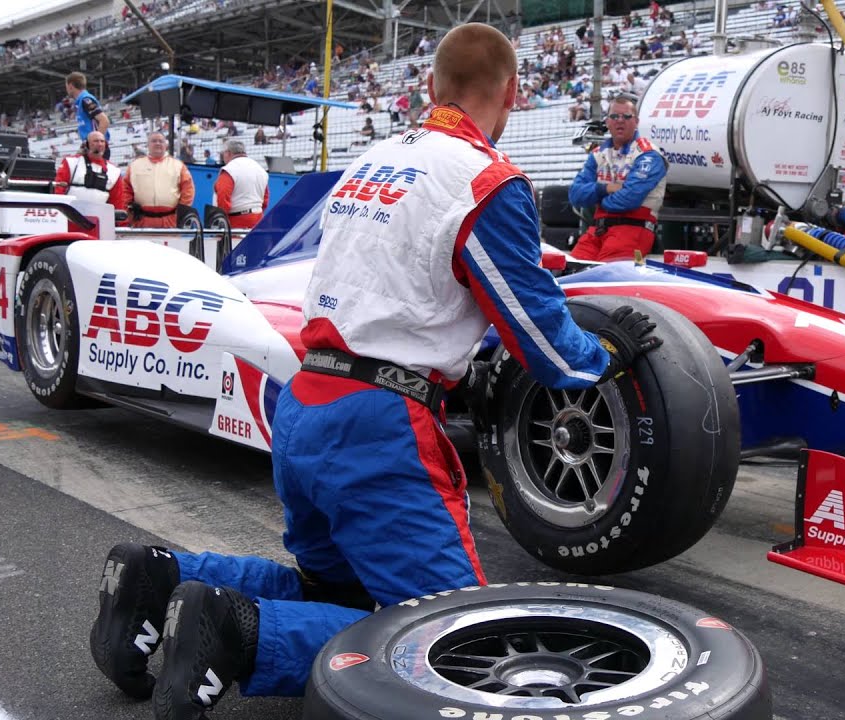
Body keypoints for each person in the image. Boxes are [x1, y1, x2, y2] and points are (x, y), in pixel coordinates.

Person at [87, 23, 663, 719]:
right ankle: (238, 635)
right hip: (380, 425)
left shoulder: (374, 160)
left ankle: (161, 579)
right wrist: (608, 355)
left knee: (340, 596)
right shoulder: (486, 181)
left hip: (304, 404)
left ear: (429, 86)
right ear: (513, 92)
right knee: (447, 633)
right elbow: (545, 342)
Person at [567, 93, 668, 261]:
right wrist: (605, 188)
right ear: (607, 122)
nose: (620, 120)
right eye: (614, 116)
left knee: (606, 279)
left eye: (626, 116)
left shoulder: (649, 155)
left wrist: (600, 200)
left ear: (636, 122)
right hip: (597, 231)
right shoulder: (598, 154)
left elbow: (629, 200)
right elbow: (575, 195)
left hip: (633, 230)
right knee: (570, 271)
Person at [120, 132, 195, 228]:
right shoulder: (135, 166)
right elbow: (125, 189)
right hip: (141, 221)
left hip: (170, 221)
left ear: (166, 145)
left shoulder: (178, 165)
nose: (157, 143)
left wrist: (181, 213)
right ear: (148, 145)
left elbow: (188, 190)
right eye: (154, 141)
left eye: (161, 141)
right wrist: (129, 211)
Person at [52, 130, 127, 214]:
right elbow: (58, 188)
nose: (99, 144)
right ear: (87, 144)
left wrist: (120, 224)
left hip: (98, 218)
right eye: (95, 141)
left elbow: (118, 200)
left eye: (102, 141)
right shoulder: (71, 162)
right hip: (70, 215)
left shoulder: (114, 171)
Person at [214, 140, 270, 229]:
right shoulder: (260, 169)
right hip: (258, 219)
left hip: (235, 221)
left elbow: (223, 195)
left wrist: (221, 219)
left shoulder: (229, 170)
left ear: (228, 153)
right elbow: (265, 198)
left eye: (223, 153)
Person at [65, 71, 110, 154]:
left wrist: (94, 145)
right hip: (91, 147)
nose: (66, 90)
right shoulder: (80, 102)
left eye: (66, 87)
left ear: (71, 86)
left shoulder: (86, 100)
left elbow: (104, 121)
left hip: (96, 150)